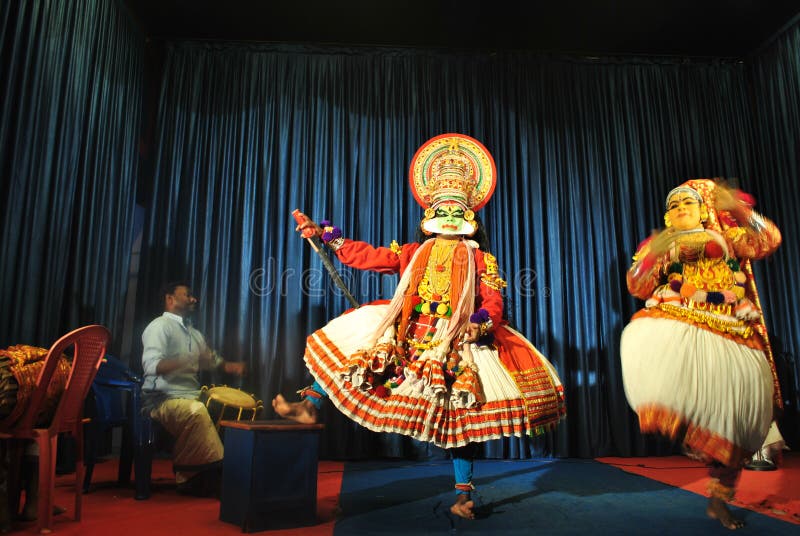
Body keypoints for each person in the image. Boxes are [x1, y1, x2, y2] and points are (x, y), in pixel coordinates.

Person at [273, 133, 566, 519]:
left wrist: (481, 322)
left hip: (454, 339)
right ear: (429, 216)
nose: (448, 219)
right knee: (359, 360)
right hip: (408, 329)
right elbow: (369, 256)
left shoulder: (481, 260)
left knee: (460, 420)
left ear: (470, 218)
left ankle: (463, 496)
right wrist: (327, 236)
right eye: (441, 211)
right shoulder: (414, 251)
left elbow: (493, 300)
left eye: (455, 212)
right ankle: (310, 406)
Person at [620, 179, 782, 530]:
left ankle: (719, 500)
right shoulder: (663, 245)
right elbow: (637, 286)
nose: (681, 208)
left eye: (688, 203)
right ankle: (687, 428)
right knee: (643, 344)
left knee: (735, 422)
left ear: (703, 210)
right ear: (667, 215)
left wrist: (739, 210)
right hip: (678, 319)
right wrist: (651, 255)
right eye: (674, 205)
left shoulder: (727, 237)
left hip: (731, 326)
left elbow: (769, 239)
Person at [141, 281, 246, 496]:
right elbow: (150, 366)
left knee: (230, 407)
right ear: (170, 299)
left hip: (191, 396)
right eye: (187, 295)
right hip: (161, 399)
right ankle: (210, 475)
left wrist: (230, 366)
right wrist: (182, 361)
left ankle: (197, 475)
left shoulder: (194, 333)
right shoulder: (159, 326)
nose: (193, 299)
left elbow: (210, 360)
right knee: (196, 411)